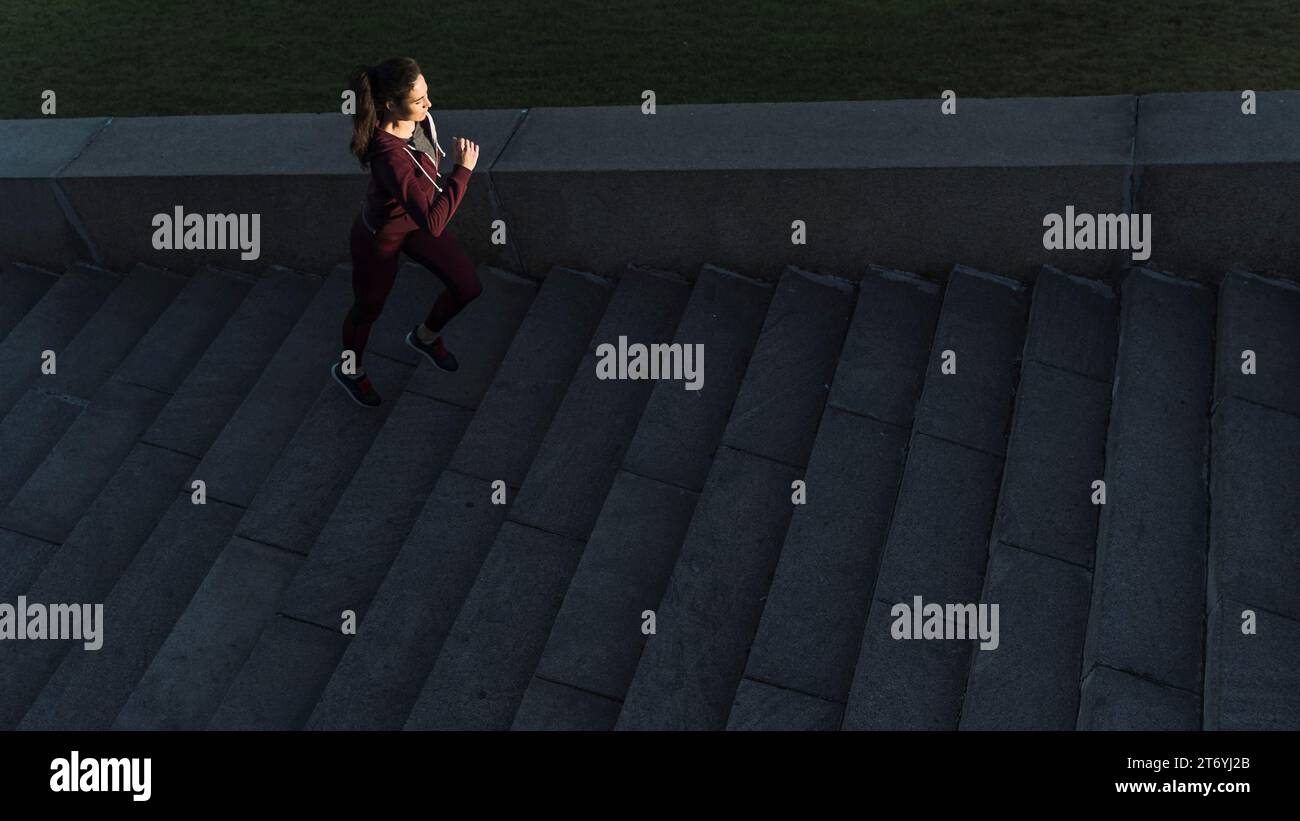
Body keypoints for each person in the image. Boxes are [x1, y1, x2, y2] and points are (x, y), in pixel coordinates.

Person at [338, 56, 482, 407]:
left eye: (426, 95)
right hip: (382, 239)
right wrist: (462, 172)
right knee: (368, 308)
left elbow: (426, 201)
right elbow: (434, 224)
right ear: (391, 105)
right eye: (419, 101)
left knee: (467, 287)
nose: (428, 105)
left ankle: (425, 337)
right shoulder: (389, 155)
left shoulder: (420, 120)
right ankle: (349, 369)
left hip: (414, 222)